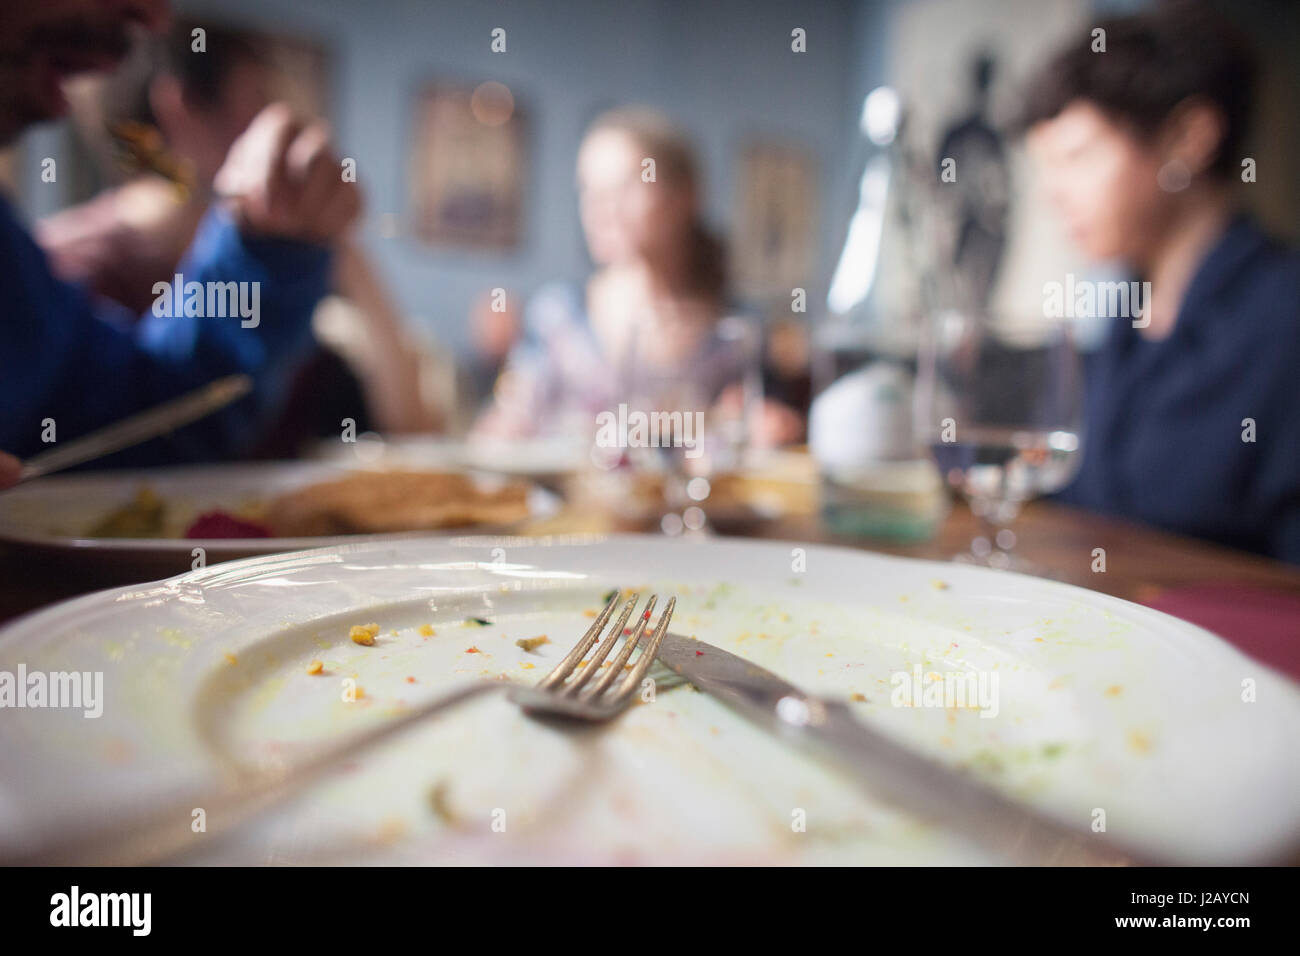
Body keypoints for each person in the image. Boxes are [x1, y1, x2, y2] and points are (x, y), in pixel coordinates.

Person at [36, 17, 439, 442]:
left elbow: (411, 430)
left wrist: (352, 265)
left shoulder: (277, 265)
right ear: (181, 110)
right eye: (259, 102)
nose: (281, 123)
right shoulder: (69, 270)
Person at [1, 1, 361, 466]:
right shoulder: (84, 259)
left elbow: (134, 421)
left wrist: (272, 249)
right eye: (257, 99)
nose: (153, 15)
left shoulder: (16, 266)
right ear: (180, 109)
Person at [1020, 1, 1300, 564]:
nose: (1053, 192)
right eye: (1045, 166)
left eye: (1078, 155)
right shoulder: (1120, 319)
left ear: (1188, 139)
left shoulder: (1283, 317)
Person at [474, 107, 801, 446]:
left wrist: (771, 429)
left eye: (627, 185)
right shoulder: (557, 317)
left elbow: (767, 430)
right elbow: (503, 430)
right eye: (588, 189)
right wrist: (500, 429)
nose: (601, 207)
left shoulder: (738, 334)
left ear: (685, 195)